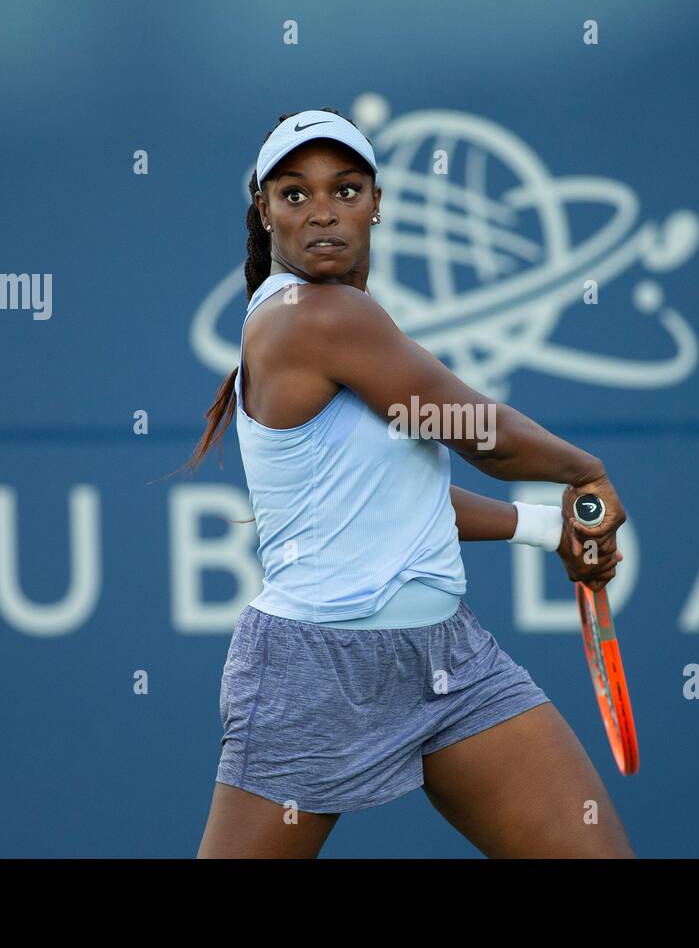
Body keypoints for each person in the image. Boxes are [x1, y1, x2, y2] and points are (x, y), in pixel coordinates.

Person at [184, 107, 633, 858]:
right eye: (294, 195)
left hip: (450, 666)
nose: (322, 212)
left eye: (346, 190)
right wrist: (585, 472)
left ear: (378, 203)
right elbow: (478, 435)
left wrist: (547, 526)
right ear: (263, 211)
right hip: (311, 673)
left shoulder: (339, 318)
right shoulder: (314, 319)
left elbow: (399, 504)